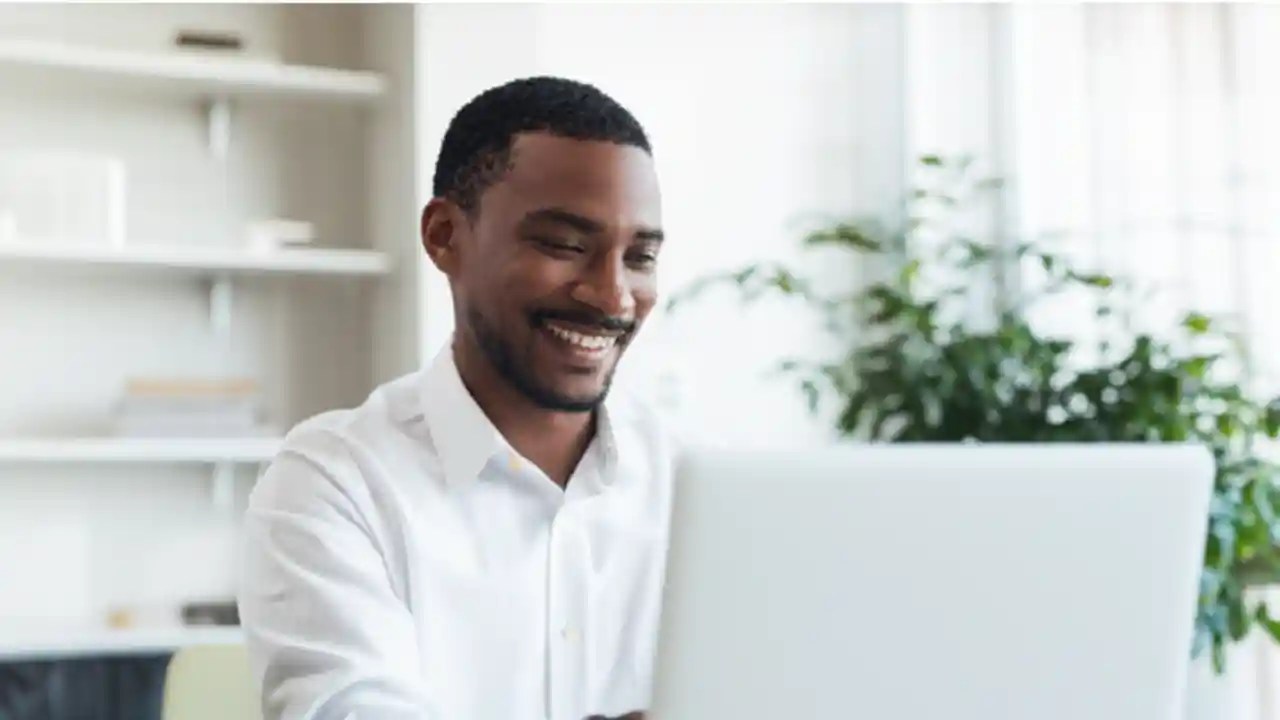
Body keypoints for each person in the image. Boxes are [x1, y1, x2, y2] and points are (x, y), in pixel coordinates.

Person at [237, 76, 675, 720]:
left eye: (639, 257)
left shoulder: (691, 486)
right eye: (564, 245)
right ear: (445, 235)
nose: (613, 297)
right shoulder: (334, 483)